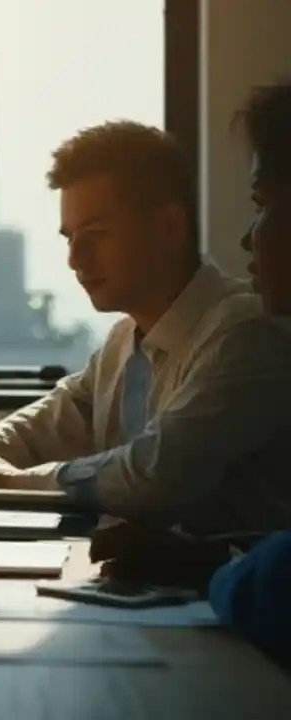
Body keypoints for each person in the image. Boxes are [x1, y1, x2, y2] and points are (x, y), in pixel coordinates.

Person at [0, 120, 291, 533]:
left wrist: (5, 483)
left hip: (229, 603)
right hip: (151, 590)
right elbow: (39, 428)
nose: (75, 259)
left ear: (169, 226)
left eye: (97, 233)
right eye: (69, 238)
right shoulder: (124, 341)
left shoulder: (243, 332)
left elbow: (152, 472)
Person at [90, 81, 291, 662]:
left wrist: (217, 570)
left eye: (263, 205)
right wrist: (213, 558)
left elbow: (282, 587)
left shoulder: (242, 331)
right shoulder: (121, 341)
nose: (248, 236)